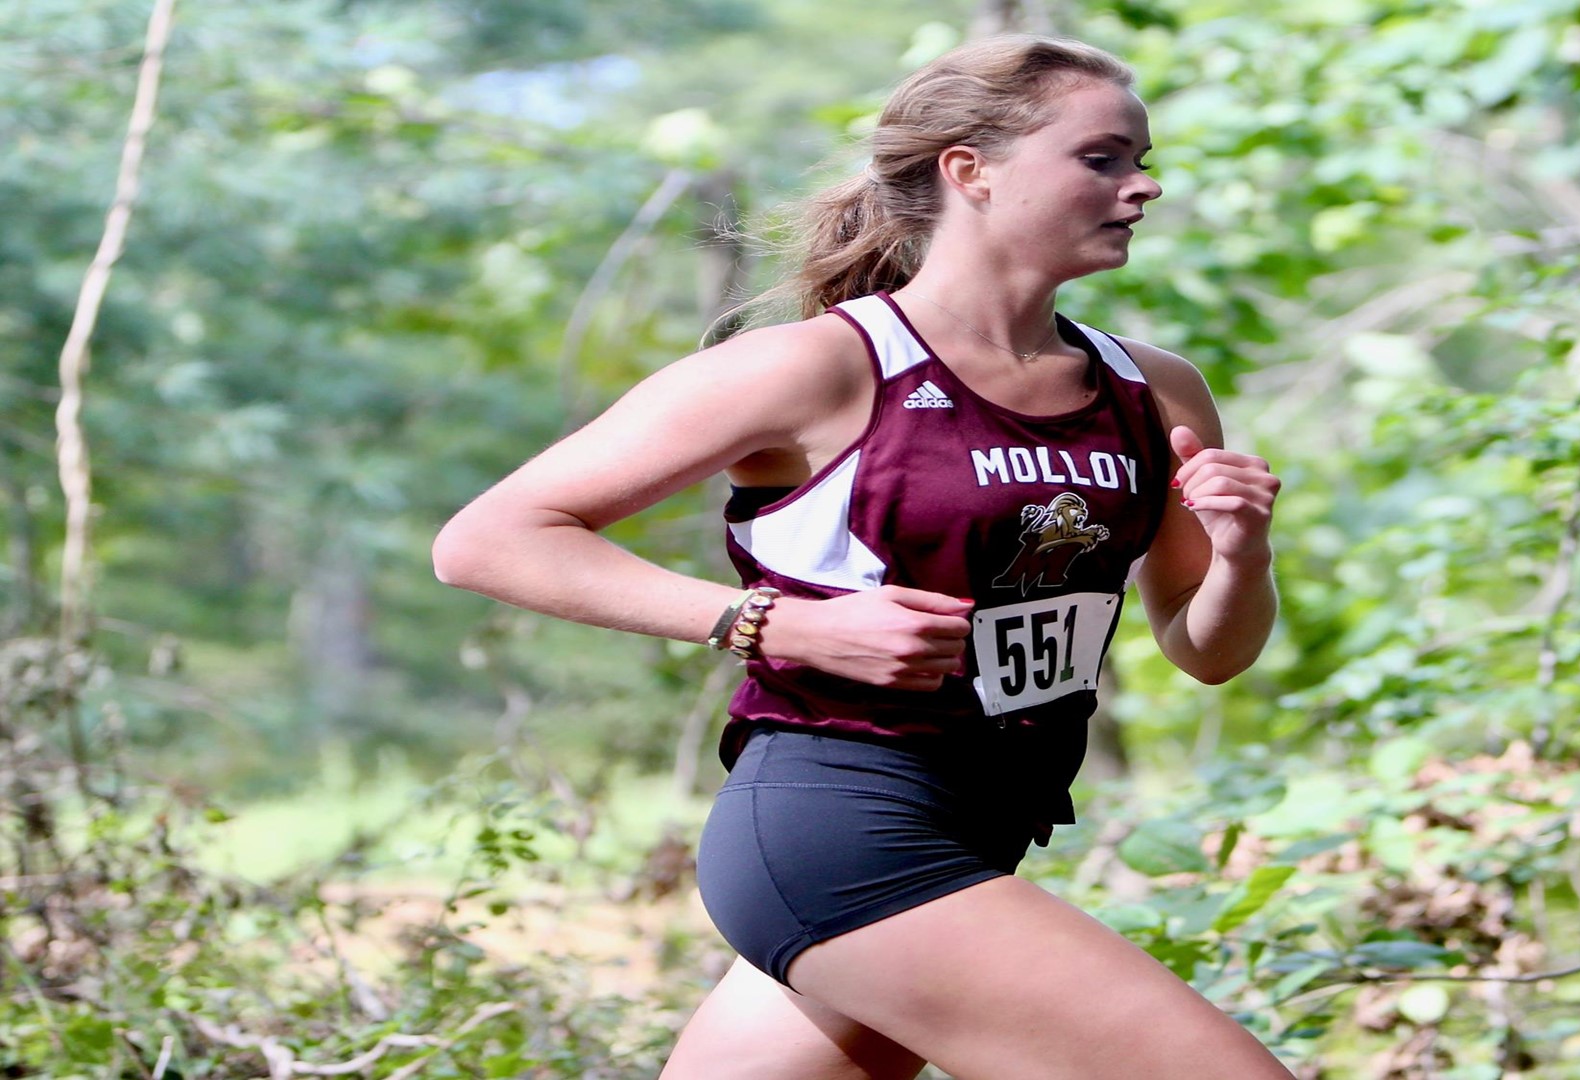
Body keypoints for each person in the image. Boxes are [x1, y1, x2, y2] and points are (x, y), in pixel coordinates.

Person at [433, 33, 1296, 1080]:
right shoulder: (822, 367)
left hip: (985, 824)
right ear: (969, 170)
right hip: (841, 823)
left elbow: (1206, 651)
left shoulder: (1151, 389)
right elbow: (487, 539)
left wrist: (1242, 553)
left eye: (1141, 158)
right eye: (1103, 158)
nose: (1143, 185)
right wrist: (775, 622)